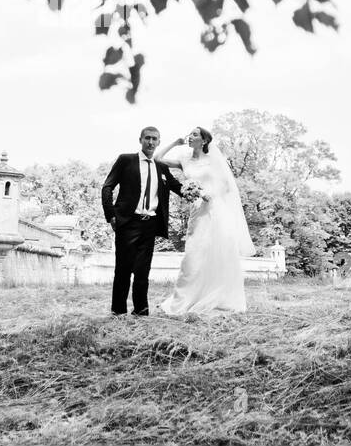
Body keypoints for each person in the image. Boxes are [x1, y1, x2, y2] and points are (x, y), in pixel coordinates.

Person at [157, 126, 256, 314]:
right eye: (189, 134)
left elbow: (227, 187)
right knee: (193, 255)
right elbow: (157, 159)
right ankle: (186, 299)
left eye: (194, 134)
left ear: (204, 140)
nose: (189, 136)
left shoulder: (214, 160)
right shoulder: (184, 159)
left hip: (215, 210)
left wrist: (207, 193)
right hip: (197, 212)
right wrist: (174, 143)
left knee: (217, 252)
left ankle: (219, 296)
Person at [101, 126, 184, 316]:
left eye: (155, 139)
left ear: (159, 142)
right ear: (140, 140)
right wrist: (111, 215)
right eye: (147, 138)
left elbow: (177, 187)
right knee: (123, 270)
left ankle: (141, 311)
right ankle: (118, 312)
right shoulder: (126, 160)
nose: (151, 142)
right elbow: (107, 187)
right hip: (127, 223)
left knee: (142, 272)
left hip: (150, 225)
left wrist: (198, 192)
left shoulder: (161, 167)